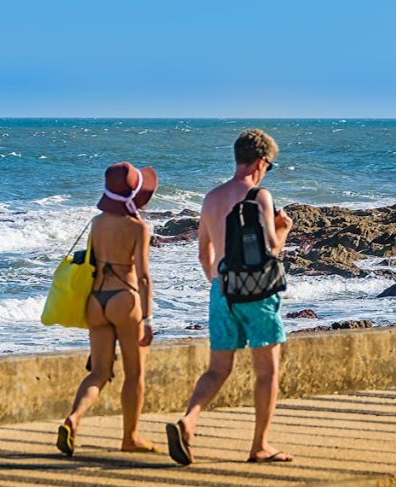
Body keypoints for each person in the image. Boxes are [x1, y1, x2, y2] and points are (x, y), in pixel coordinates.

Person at [166, 128, 294, 465]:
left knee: (217, 369)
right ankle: (259, 446)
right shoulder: (261, 196)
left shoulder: (210, 198)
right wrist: (283, 230)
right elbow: (270, 248)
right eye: (269, 166)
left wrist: (219, 283)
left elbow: (203, 254)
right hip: (257, 293)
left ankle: (189, 420)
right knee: (267, 372)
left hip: (221, 291)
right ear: (261, 162)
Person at [57, 162, 158, 456]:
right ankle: (130, 437)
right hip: (124, 298)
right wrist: (148, 319)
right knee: (134, 374)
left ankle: (73, 418)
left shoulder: (97, 223)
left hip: (96, 300)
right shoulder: (138, 227)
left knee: (98, 373)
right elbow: (143, 276)